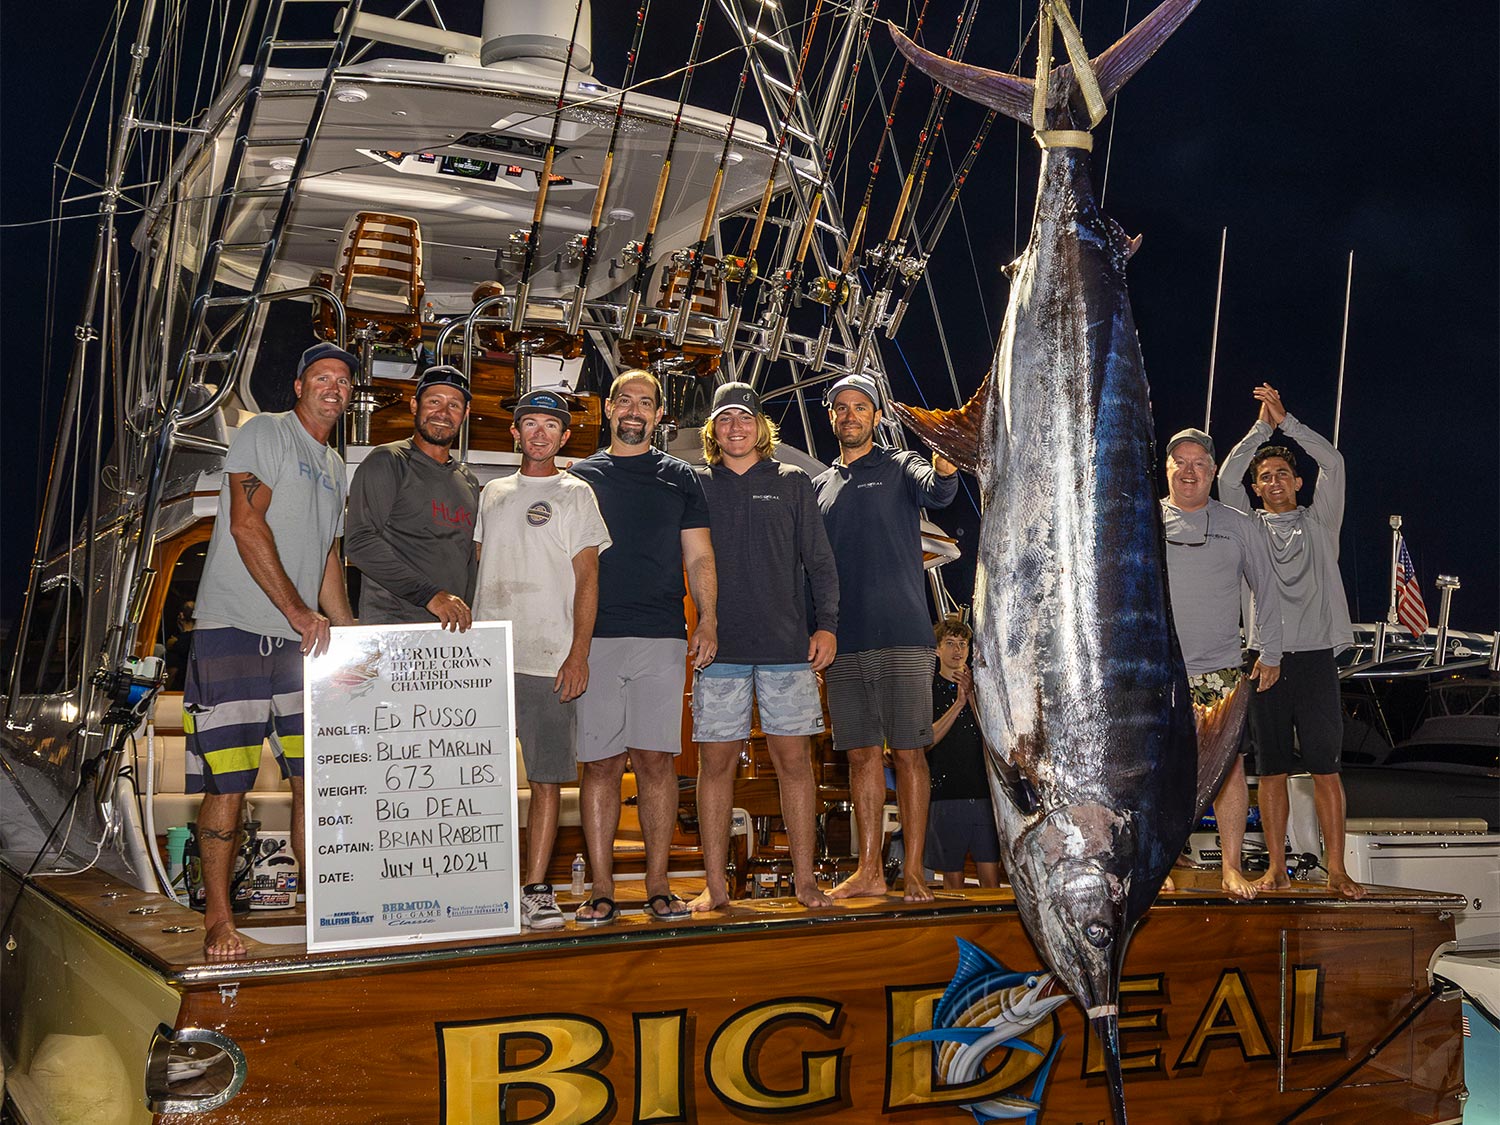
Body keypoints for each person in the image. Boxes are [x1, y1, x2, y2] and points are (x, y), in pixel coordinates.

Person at [184, 341, 358, 960]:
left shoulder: (337, 466)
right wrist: (295, 610)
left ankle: (322, 913)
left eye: (342, 380)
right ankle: (219, 922)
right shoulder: (265, 434)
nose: (332, 388)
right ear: (298, 385)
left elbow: (328, 558)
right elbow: (244, 523)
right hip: (233, 631)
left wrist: (350, 633)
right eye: (322, 378)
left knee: (317, 780)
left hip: (300, 644)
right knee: (228, 781)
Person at [568, 370, 718, 925]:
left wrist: (709, 619)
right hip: (595, 639)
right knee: (601, 766)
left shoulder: (681, 478)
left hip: (661, 636)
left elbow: (700, 558)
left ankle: (659, 885)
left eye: (646, 403)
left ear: (659, 415)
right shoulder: (579, 478)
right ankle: (602, 890)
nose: (635, 410)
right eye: (625, 401)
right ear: (609, 409)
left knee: (657, 763)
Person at [687, 383, 838, 913]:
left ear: (760, 428)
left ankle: (806, 882)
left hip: (787, 648)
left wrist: (827, 626)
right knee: (716, 764)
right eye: (725, 419)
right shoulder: (697, 485)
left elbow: (820, 562)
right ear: (713, 431)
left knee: (795, 761)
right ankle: (716, 885)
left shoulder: (794, 482)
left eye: (744, 419)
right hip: (719, 650)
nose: (735, 428)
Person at [814, 373, 958, 903]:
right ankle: (870, 869)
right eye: (841, 408)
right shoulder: (819, 486)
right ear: (832, 417)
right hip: (843, 643)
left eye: (860, 407)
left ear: (876, 416)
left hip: (903, 636)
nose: (849, 415)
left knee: (910, 754)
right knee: (860, 757)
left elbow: (940, 491)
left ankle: (914, 870)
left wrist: (945, 460)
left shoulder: (899, 466)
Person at [472, 389, 611, 930]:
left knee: (547, 780)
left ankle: (536, 888)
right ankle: (484, 885)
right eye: (528, 423)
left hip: (548, 661)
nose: (538, 433)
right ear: (515, 433)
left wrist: (578, 654)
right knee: (484, 777)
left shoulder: (577, 494)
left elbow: (587, 578)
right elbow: (484, 565)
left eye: (549, 425)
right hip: (485, 661)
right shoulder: (492, 493)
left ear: (564, 436)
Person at [1219, 385, 1364, 899]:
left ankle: (1337, 870)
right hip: (1265, 661)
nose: (1273, 480)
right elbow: (1224, 476)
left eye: (1282, 473)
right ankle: (1277, 867)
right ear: (1256, 489)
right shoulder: (1245, 530)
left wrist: (1289, 425)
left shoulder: (1322, 524)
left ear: (1298, 482)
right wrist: (1260, 430)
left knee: (1326, 768)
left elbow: (1335, 460)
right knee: (1272, 770)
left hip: (1316, 660)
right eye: (1265, 477)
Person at [1160, 426, 1283, 900]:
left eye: (1199, 464)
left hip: (1222, 670)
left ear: (1212, 472)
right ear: (1166, 469)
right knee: (1161, 769)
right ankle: (1164, 862)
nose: (1189, 471)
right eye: (1180, 462)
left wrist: (1268, 651)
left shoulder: (1239, 524)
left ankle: (1231, 867)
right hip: (1159, 672)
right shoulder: (1144, 520)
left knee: (1230, 768)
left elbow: (1267, 589)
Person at [345, 365, 480, 629]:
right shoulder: (388, 461)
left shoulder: (468, 480)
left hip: (450, 628)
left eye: (454, 405)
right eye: (434, 402)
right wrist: (429, 595)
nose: (443, 412)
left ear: (465, 414)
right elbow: (360, 542)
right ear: (414, 406)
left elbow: (466, 558)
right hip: (394, 626)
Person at [925, 615, 1003, 891]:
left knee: (991, 878)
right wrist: (958, 705)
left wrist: (971, 700)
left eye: (963, 644)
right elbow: (926, 741)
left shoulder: (982, 690)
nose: (958, 651)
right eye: (950, 643)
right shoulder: (929, 689)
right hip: (946, 794)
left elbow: (996, 741)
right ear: (937, 649)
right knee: (953, 879)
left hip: (984, 793)